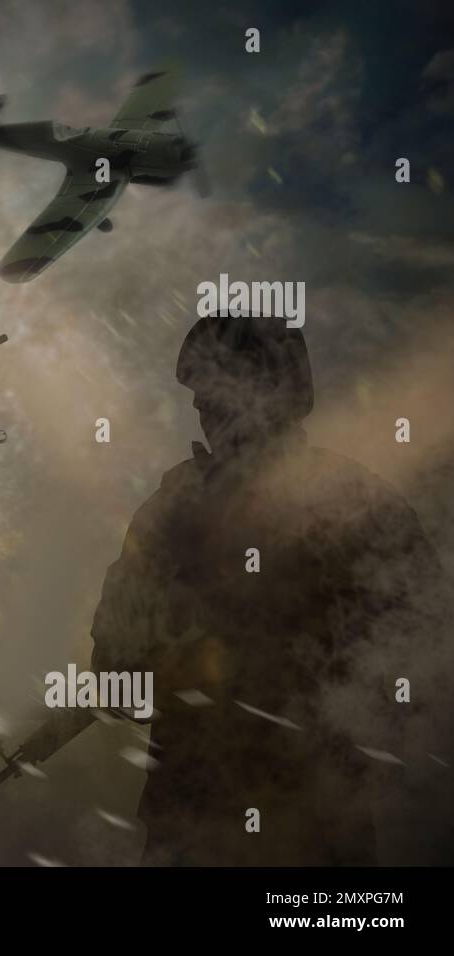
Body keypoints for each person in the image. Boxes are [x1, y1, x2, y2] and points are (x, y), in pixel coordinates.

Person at [37, 313, 446, 865]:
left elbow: (420, 649)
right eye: (201, 393)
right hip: (200, 804)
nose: (203, 407)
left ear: (274, 394)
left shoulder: (356, 507)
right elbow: (117, 659)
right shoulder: (176, 507)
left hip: (308, 809)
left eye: (218, 389)